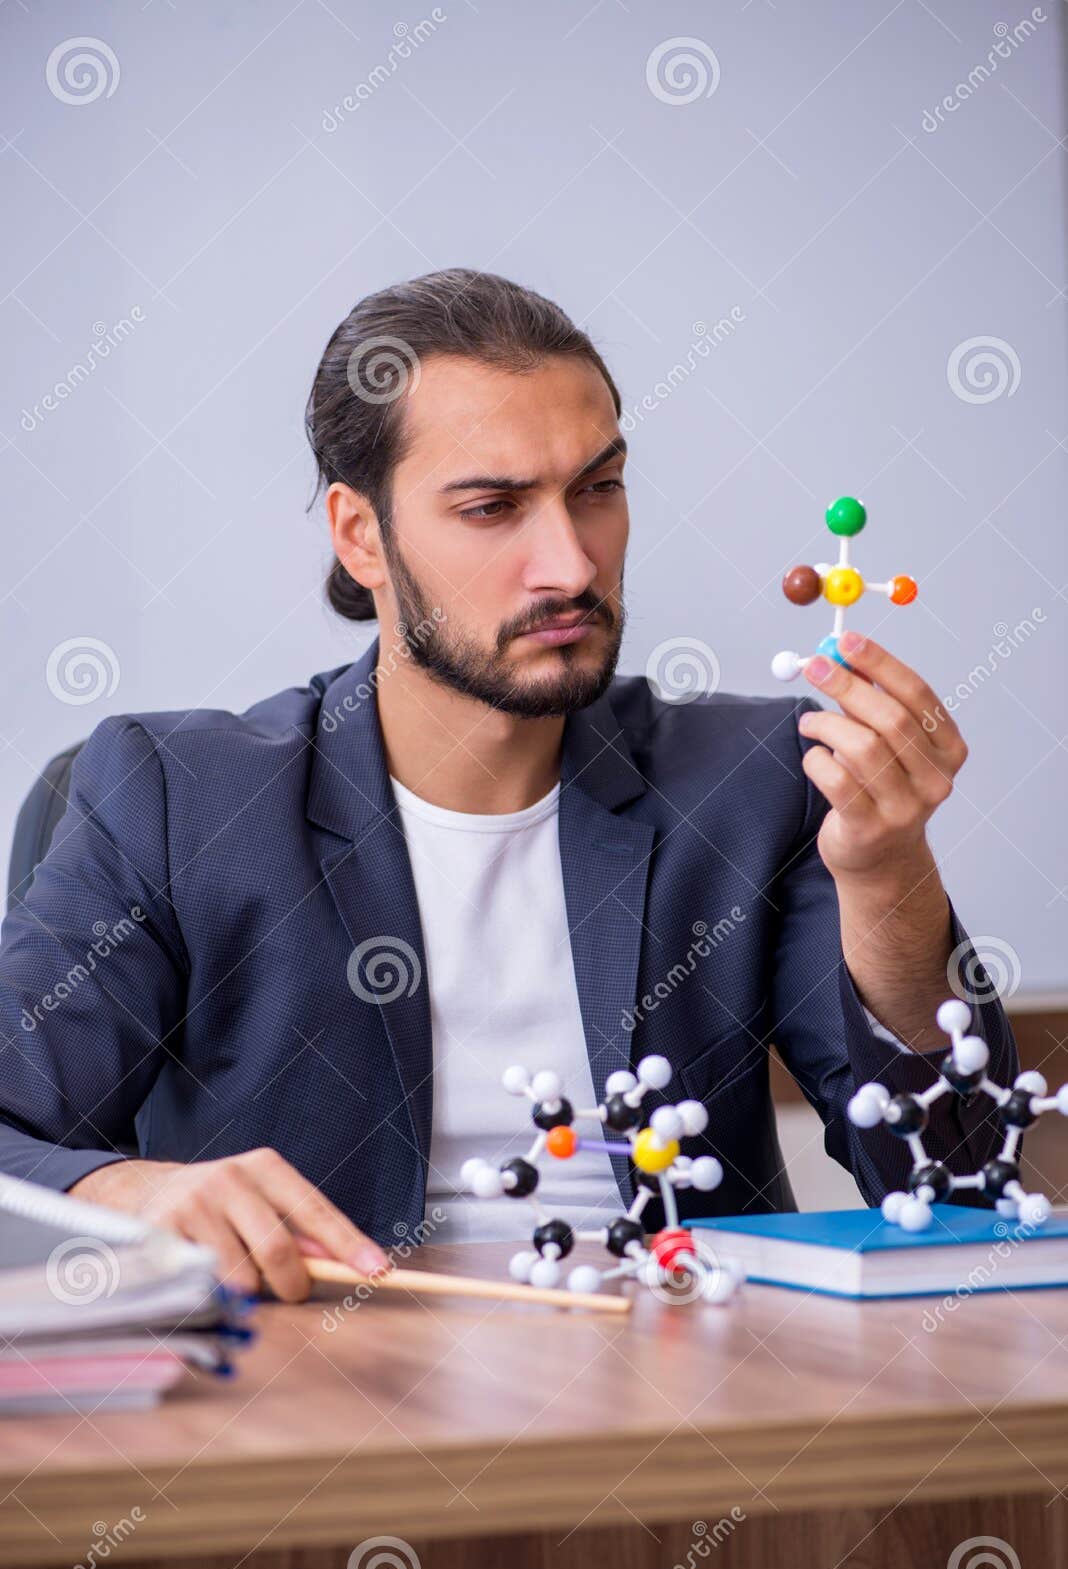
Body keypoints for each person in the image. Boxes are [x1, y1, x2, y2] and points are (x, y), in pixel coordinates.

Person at [0, 269, 1014, 1301]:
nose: (570, 565)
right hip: (322, 1401)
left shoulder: (757, 783)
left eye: (598, 489)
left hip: (692, 1399)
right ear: (361, 535)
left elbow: (963, 1193)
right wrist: (121, 1193)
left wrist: (890, 878)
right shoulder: (176, 799)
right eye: (493, 507)